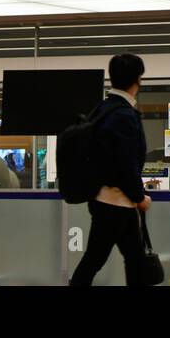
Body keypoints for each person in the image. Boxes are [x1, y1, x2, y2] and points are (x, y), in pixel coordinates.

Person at [70, 53, 152, 286]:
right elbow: (125, 163)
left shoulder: (103, 109)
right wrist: (139, 196)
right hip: (114, 201)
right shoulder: (123, 115)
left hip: (111, 200)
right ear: (137, 81)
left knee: (134, 258)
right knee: (95, 258)